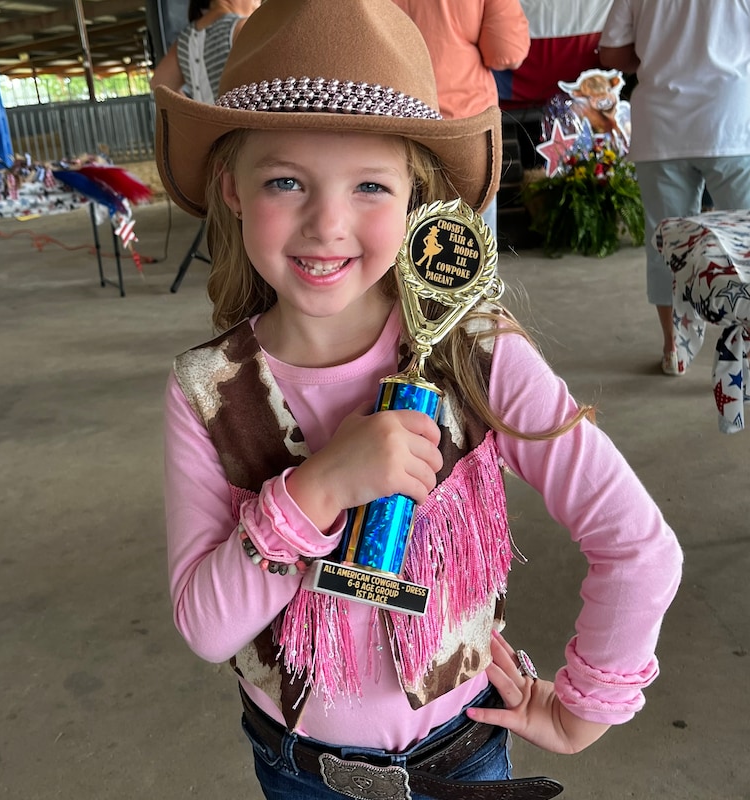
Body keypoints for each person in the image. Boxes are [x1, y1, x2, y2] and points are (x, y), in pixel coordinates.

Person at [156, 1, 683, 798]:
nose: (327, 223)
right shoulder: (207, 390)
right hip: (296, 770)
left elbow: (638, 543)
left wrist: (588, 706)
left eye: (370, 184)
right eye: (285, 181)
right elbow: (206, 625)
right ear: (230, 187)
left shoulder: (478, 354)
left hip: (459, 756)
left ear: (416, 197)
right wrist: (317, 488)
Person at [599, 0, 750, 376]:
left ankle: (674, 348)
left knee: (668, 243)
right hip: (731, 123)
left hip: (661, 126)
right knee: (745, 245)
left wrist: (661, 53)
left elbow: (611, 53)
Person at [390, 0, 530, 240]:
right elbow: (508, 53)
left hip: (391, 117)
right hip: (463, 124)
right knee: (469, 244)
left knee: (395, 237)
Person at [149, 0, 259, 103]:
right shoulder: (242, 27)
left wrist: (192, 110)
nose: (257, 4)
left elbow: (158, 82)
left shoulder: (185, 39)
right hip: (239, 117)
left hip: (202, 117)